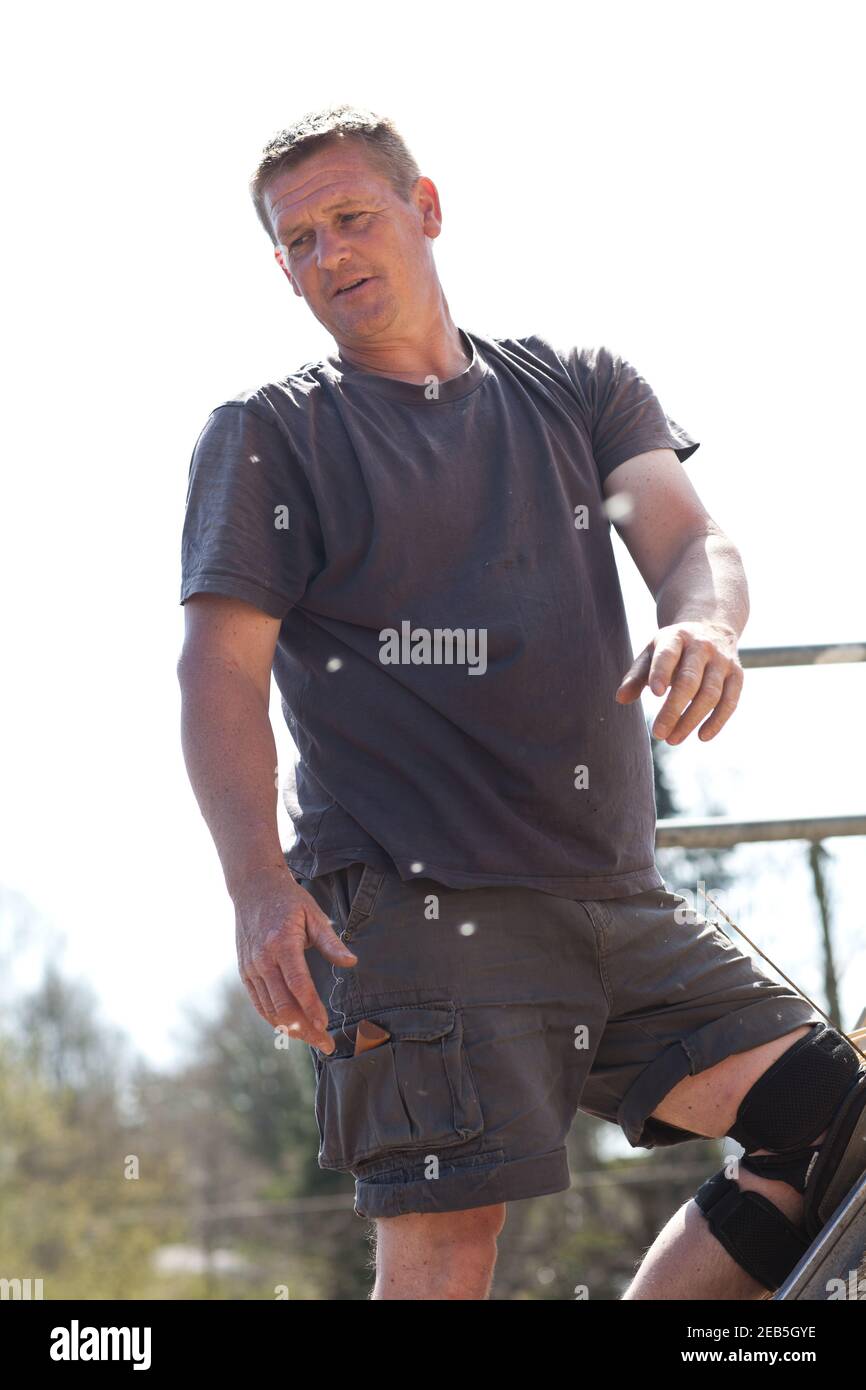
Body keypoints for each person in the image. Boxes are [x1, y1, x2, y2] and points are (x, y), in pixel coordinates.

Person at [177, 105, 866, 1300]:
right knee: (448, 1248)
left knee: (831, 1122)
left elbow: (689, 540)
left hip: (615, 893)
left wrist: (699, 621)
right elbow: (216, 674)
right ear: (279, 270)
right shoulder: (269, 435)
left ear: (425, 209)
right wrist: (253, 888)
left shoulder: (577, 384)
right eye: (297, 241)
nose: (329, 253)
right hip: (409, 902)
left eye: (351, 217)